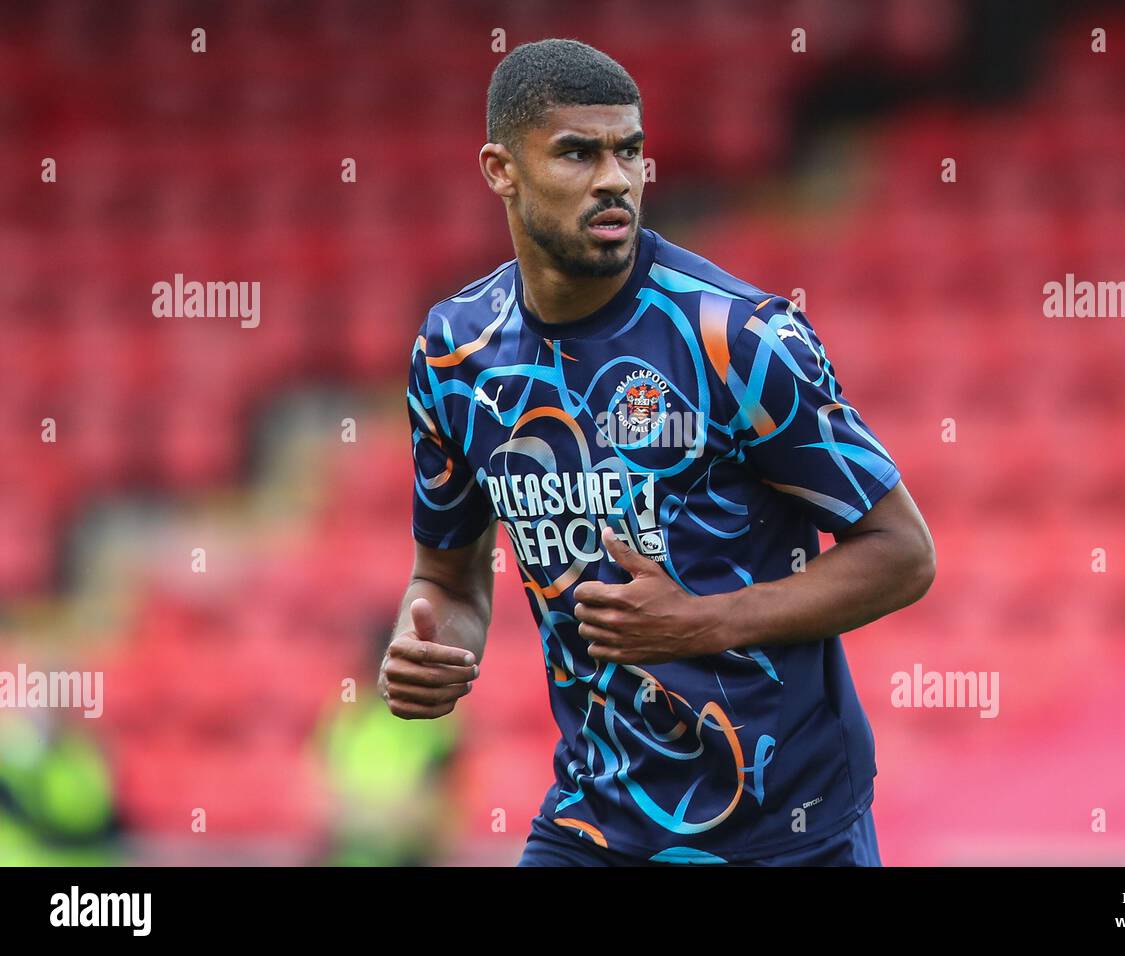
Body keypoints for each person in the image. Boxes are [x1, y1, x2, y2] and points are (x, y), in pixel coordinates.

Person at [378, 38, 935, 866]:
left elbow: (903, 554)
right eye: (579, 152)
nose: (616, 178)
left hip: (785, 826)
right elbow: (447, 579)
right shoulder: (454, 355)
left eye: (630, 150)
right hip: (597, 820)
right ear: (501, 169)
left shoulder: (736, 338)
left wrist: (696, 624)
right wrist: (430, 648)